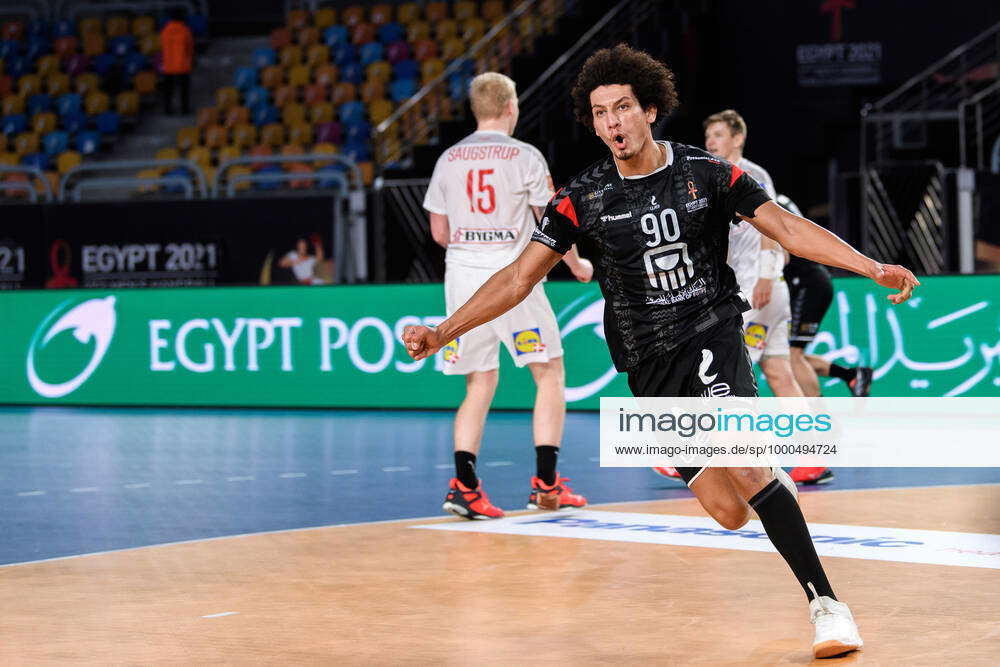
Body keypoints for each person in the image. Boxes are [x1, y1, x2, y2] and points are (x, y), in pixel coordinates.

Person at [403, 45, 919, 658]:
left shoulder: (707, 174)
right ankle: (771, 479)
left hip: (711, 335)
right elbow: (518, 278)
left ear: (650, 109)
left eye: (622, 107)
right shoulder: (582, 197)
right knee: (729, 511)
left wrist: (871, 266)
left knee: (748, 469)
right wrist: (444, 331)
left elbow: (786, 228)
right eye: (599, 113)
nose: (612, 123)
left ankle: (827, 606)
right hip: (648, 367)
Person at [423, 72, 593, 520]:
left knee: (479, 381)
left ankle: (464, 485)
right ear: (511, 107)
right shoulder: (525, 156)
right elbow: (556, 223)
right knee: (549, 373)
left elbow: (439, 232)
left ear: (476, 109)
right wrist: (578, 266)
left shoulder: (448, 159)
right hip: (513, 280)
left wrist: (471, 247)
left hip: (461, 280)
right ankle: (546, 485)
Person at [160, 10, 194, 115]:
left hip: (168, 66)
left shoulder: (165, 31)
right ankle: (184, 109)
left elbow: (162, 47)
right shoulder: (185, 31)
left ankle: (168, 110)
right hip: (183, 65)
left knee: (168, 91)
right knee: (184, 90)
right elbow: (190, 48)